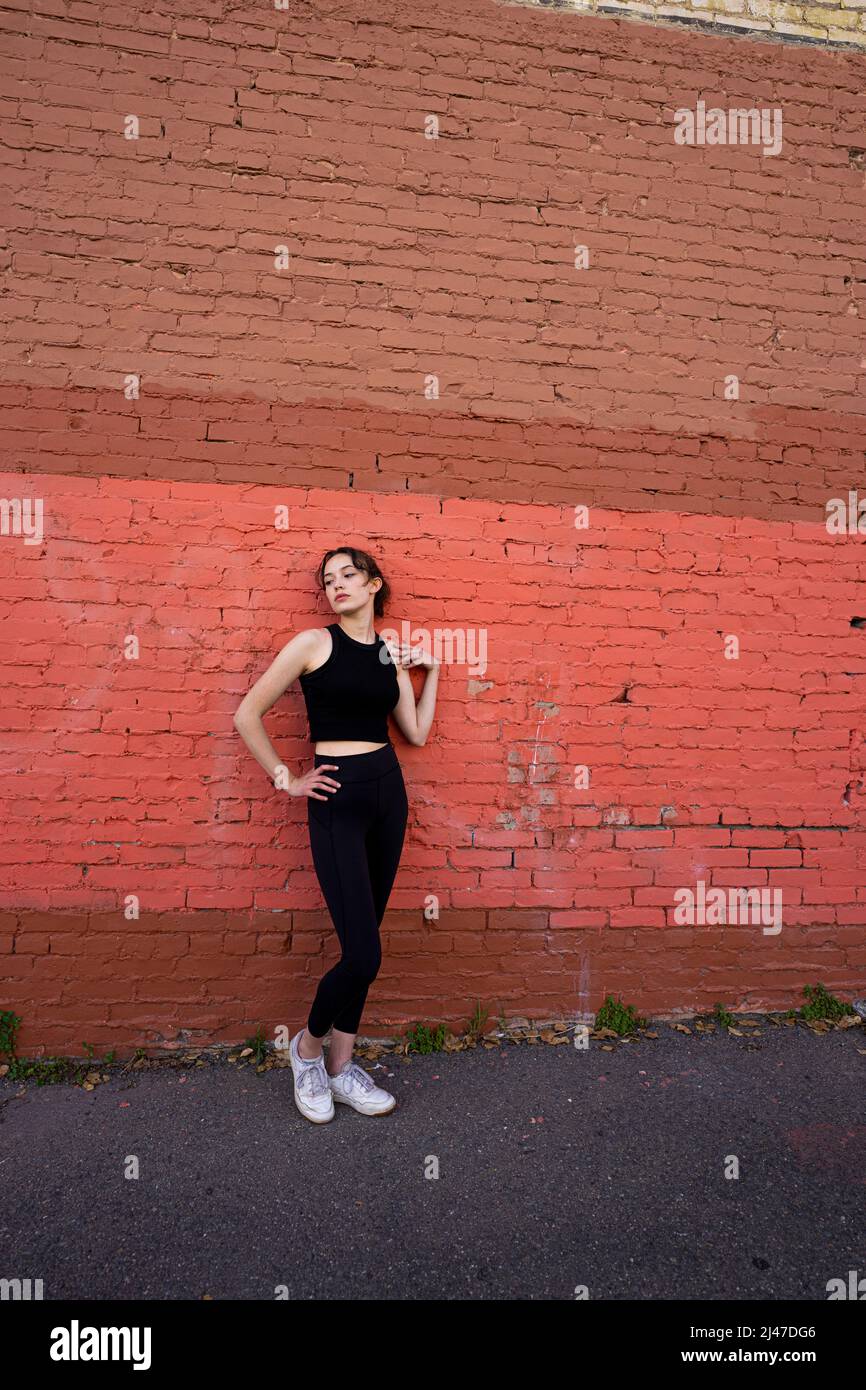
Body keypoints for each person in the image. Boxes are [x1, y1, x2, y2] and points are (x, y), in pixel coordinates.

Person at [233, 547, 439, 1123]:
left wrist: (435, 672)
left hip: (387, 796)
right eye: (329, 580)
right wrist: (287, 779)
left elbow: (416, 733)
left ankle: (342, 1069)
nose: (337, 585)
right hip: (335, 800)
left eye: (349, 575)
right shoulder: (311, 645)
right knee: (364, 952)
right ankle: (306, 1049)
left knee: (364, 945)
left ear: (374, 584)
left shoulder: (389, 655)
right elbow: (247, 714)